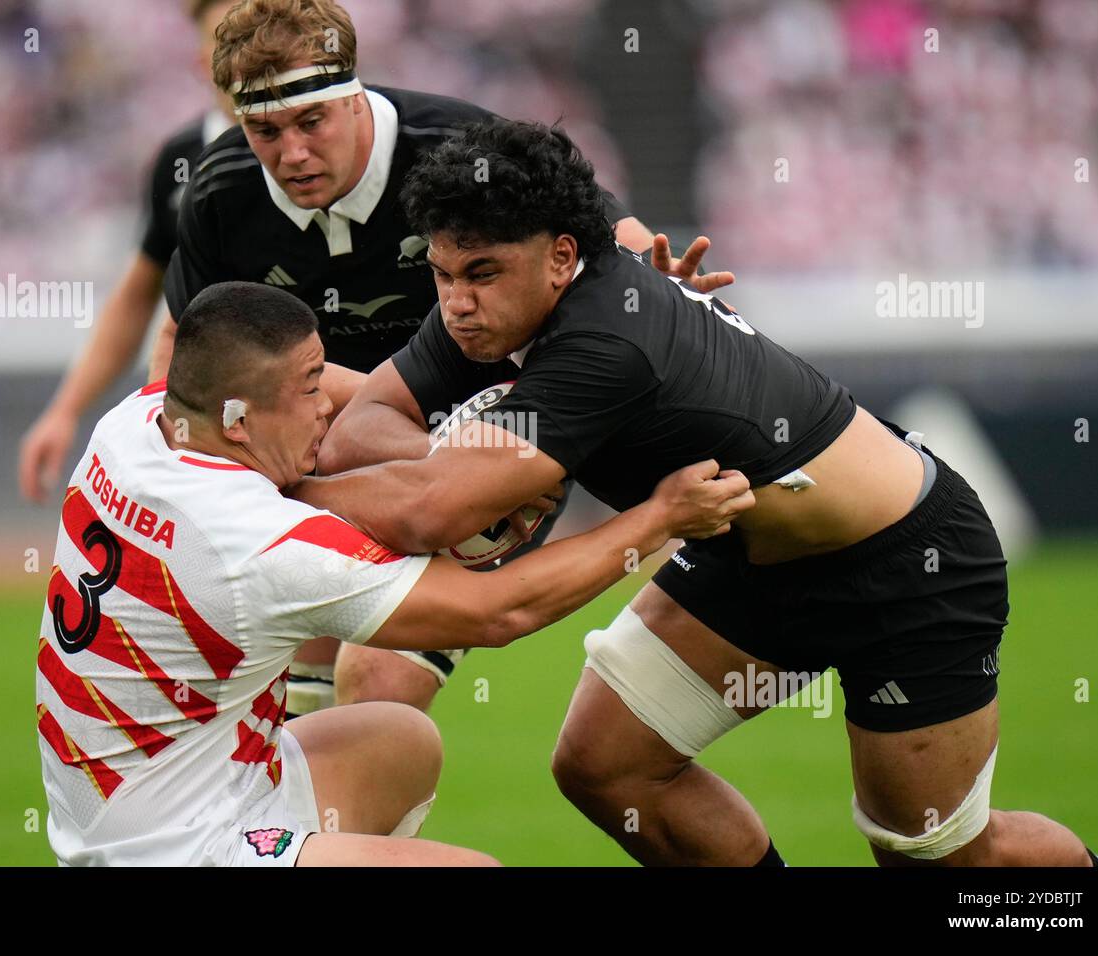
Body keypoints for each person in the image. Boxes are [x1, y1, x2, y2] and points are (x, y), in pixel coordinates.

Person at [298, 119, 1098, 867]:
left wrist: (288, 486)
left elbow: (431, 511)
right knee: (606, 767)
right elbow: (364, 419)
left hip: (903, 565)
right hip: (748, 552)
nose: (457, 305)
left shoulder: (605, 344)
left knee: (936, 859)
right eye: (441, 275)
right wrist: (466, 458)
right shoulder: (497, 309)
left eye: (480, 274)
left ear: (561, 256)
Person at [34, 280, 745, 867]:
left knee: (399, 743)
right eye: (310, 388)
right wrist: (659, 519)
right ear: (239, 419)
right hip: (175, 851)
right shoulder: (263, 549)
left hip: (163, 794)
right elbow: (498, 612)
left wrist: (457, 454)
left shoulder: (135, 425)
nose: (328, 408)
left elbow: (258, 492)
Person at [162, 0, 734, 711]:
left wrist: (660, 286)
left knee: (377, 682)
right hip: (327, 436)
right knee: (282, 694)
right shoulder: (220, 195)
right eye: (265, 130)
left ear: (353, 92)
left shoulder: (461, 149)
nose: (292, 154)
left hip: (499, 428)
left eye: (312, 122)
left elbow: (607, 239)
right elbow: (207, 360)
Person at [18, 0, 240, 504]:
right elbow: (138, 294)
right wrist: (65, 410)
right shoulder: (181, 161)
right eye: (229, 40)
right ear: (202, 61)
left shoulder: (313, 153)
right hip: (208, 420)